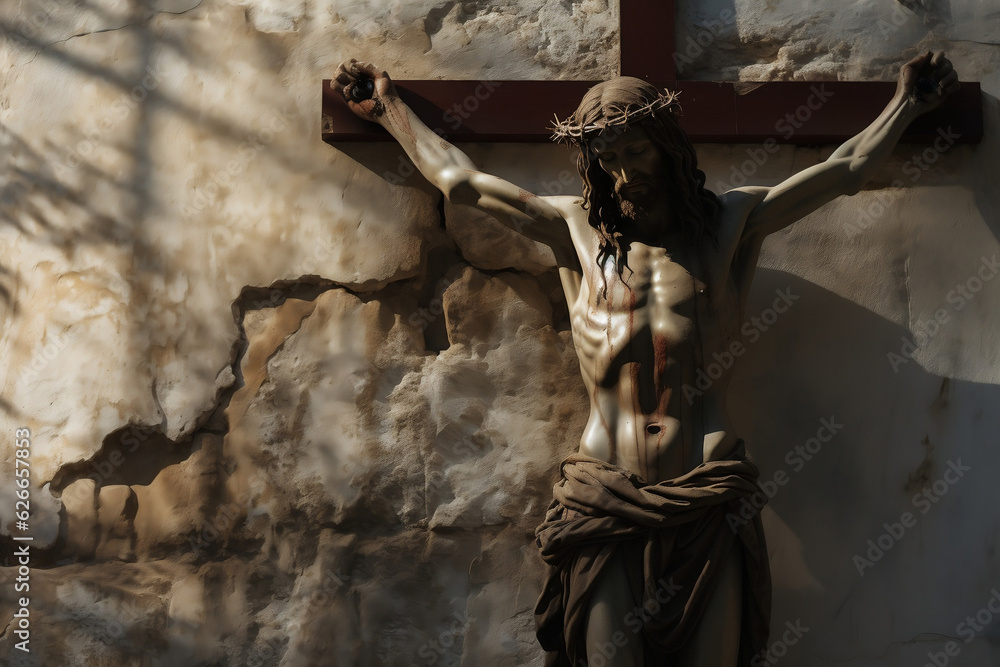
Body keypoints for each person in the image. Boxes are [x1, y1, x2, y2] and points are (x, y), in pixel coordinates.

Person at [334, 52, 959, 666]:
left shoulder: (729, 225)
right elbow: (460, 182)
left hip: (706, 494)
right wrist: (388, 108)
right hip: (604, 495)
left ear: (666, 145)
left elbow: (844, 168)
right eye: (607, 158)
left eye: (636, 152)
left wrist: (906, 104)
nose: (625, 173)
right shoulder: (574, 231)